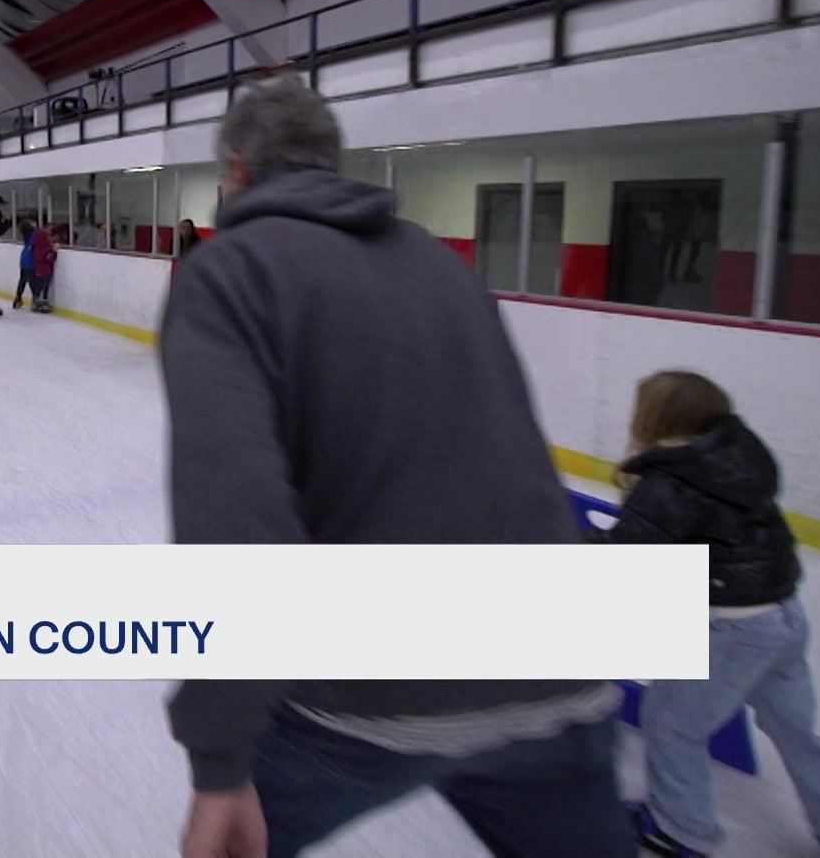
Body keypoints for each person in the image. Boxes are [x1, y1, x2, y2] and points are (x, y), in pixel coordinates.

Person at [161, 77, 627, 858]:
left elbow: (239, 526)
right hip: (562, 668)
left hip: (380, 691)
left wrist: (220, 758)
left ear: (235, 172)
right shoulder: (440, 263)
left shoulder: (231, 271)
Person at [594, 371, 820, 858]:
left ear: (653, 417)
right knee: (801, 739)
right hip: (785, 618)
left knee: (672, 724)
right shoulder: (739, 457)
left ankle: (680, 829)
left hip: (733, 631)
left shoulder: (669, 482)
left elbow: (628, 559)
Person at [30, 220, 57, 314]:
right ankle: (41, 301)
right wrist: (54, 251)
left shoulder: (37, 247)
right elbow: (48, 258)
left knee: (40, 285)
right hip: (45, 268)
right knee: (43, 285)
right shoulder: (44, 248)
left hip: (41, 268)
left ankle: (37, 301)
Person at [12, 216, 39, 310]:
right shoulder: (33, 234)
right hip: (29, 259)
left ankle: (18, 298)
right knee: (32, 281)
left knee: (23, 280)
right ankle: (36, 300)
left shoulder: (27, 233)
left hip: (24, 258)